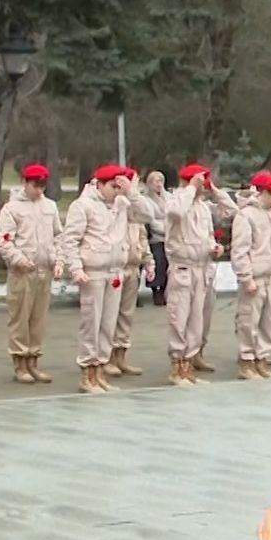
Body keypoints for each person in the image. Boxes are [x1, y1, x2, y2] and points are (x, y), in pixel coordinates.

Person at [60, 165, 134, 394]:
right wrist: (76, 268)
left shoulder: (122, 203)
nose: (116, 191)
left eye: (119, 187)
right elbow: (70, 240)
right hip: (93, 271)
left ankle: (101, 370)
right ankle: (88, 372)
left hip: (115, 270)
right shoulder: (83, 205)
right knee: (91, 324)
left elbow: (148, 215)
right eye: (113, 186)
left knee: (108, 325)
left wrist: (131, 192)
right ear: (99, 184)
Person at [163, 163, 234, 383]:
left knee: (197, 320)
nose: (203, 187)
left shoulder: (203, 207)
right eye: (201, 182)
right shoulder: (176, 200)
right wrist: (190, 188)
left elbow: (231, 212)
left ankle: (189, 363)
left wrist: (215, 191)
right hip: (183, 268)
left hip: (202, 268)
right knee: (179, 318)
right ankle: (177, 366)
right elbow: (176, 212)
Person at [0, 163, 59, 384]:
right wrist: (19, 260)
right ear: (25, 183)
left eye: (43, 185)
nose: (39, 190)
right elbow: (4, 241)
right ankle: (20, 362)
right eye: (35, 185)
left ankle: (34, 360)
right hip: (22, 272)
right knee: (20, 319)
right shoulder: (12, 208)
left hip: (44, 270)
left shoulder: (50, 206)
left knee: (38, 319)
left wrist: (58, 259)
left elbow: (58, 235)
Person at [229, 171, 271, 379]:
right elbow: (240, 250)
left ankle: (262, 358)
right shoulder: (246, 215)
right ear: (264, 193)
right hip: (255, 276)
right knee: (249, 321)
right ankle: (246, 360)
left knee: (268, 322)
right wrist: (245, 277)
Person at [111, 173, 159, 381]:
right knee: (110, 315)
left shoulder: (134, 210)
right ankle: (107, 358)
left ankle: (121, 356)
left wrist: (148, 261)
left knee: (126, 315)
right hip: (115, 268)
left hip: (132, 268)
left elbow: (142, 237)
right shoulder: (112, 207)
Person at [134, 171, 170, 306]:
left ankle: (165, 289)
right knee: (158, 260)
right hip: (155, 237)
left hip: (171, 236)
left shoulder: (169, 198)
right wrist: (165, 230)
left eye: (161, 181)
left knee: (170, 263)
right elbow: (151, 220)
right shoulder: (146, 200)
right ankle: (156, 290)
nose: (159, 184)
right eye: (156, 181)